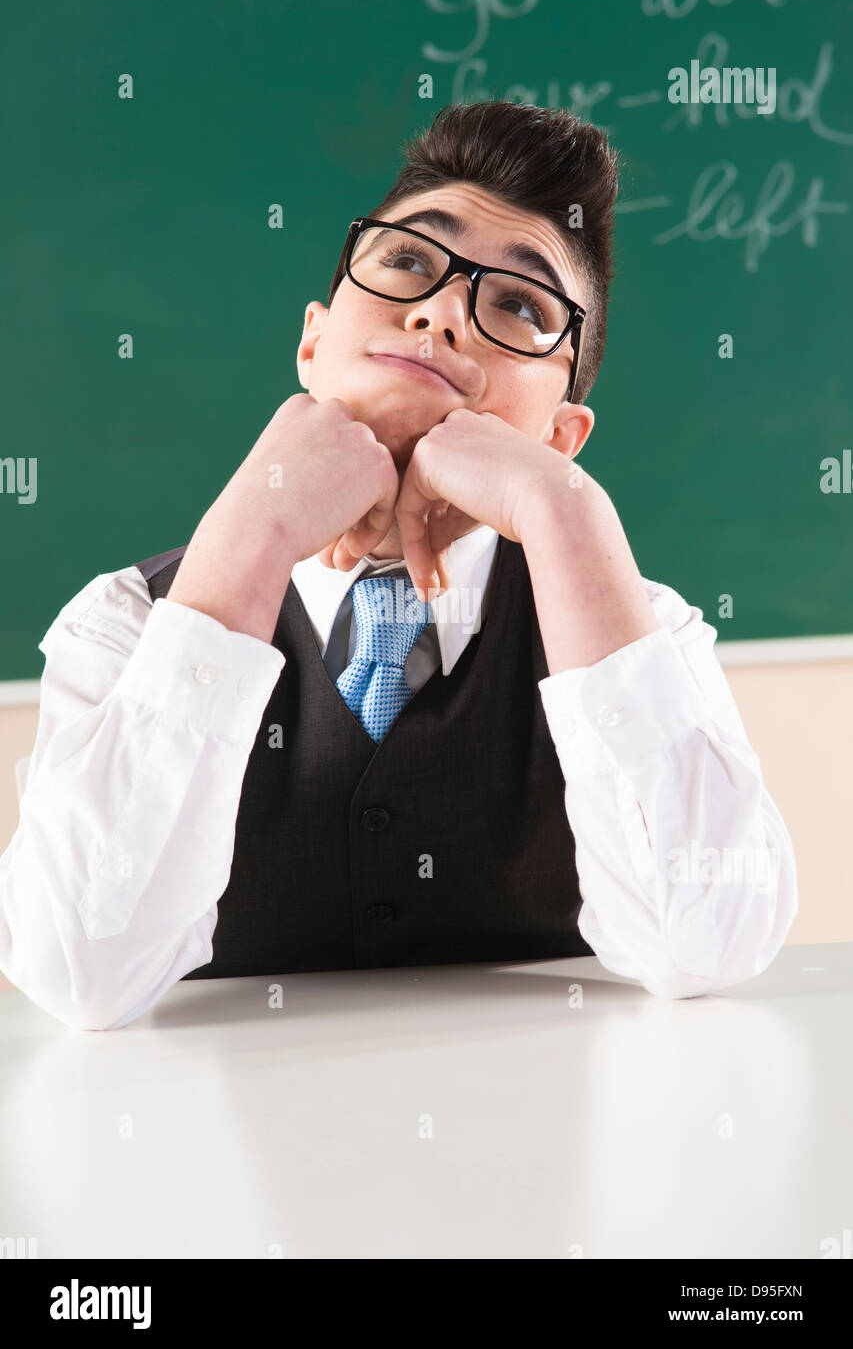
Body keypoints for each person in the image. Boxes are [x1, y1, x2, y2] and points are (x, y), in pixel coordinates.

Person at [0, 101, 797, 1030]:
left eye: (517, 305)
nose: (442, 311)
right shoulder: (128, 622)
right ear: (311, 341)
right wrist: (248, 536)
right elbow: (75, 974)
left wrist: (566, 513)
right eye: (410, 260)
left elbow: (708, 946)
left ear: (559, 435)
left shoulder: (640, 629)